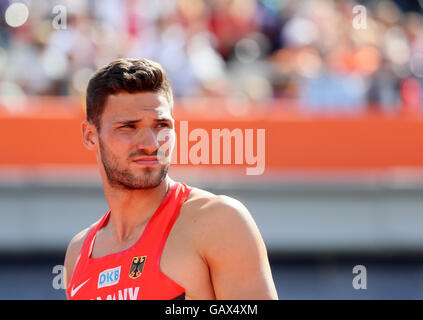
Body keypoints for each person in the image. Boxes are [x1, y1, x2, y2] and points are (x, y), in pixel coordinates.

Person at [64, 58, 278, 300]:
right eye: (129, 127)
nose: (151, 144)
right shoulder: (79, 252)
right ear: (91, 136)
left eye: (161, 125)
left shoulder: (217, 221)